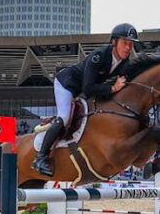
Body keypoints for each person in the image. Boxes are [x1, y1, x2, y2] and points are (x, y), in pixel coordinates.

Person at [31, 23, 139, 176]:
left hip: (83, 91)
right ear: (114, 42)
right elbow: (89, 87)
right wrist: (112, 89)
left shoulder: (125, 63)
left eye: (131, 44)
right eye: (125, 43)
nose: (128, 48)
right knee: (65, 117)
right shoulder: (99, 56)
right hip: (67, 84)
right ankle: (40, 158)